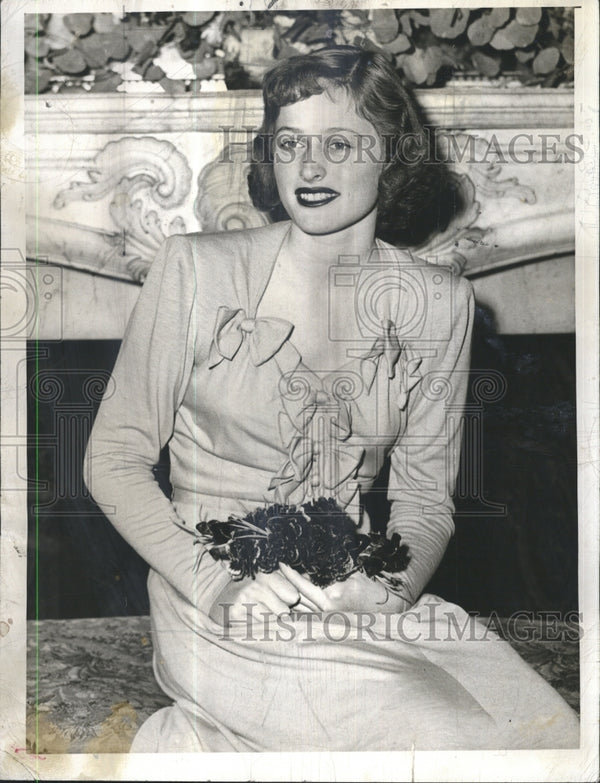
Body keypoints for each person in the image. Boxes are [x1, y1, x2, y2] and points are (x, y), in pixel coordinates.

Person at [84, 46, 579, 752]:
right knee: (440, 734)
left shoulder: (440, 303)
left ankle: (207, 745)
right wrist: (216, 584)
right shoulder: (196, 270)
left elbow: (424, 501)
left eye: (339, 144)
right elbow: (112, 458)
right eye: (290, 143)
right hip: (219, 600)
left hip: (352, 588)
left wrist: (390, 589)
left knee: (538, 735)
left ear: (391, 156)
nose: (309, 168)